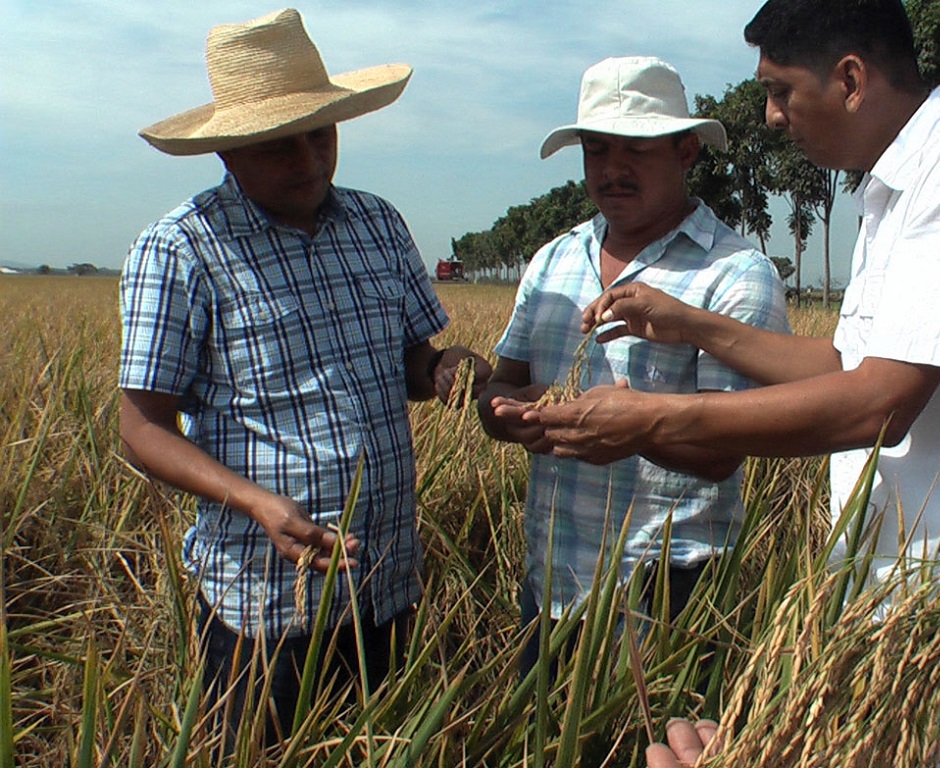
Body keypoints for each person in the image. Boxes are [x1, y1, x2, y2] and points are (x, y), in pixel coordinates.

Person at [118, 8, 491, 746]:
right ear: (226, 153)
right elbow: (140, 428)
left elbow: (411, 362)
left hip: (384, 584)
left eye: (320, 134)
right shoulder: (182, 251)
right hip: (263, 604)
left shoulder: (377, 224)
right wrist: (255, 502)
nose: (310, 160)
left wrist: (446, 369)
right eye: (278, 145)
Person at [528, 0, 940, 597]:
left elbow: (879, 403)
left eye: (780, 91)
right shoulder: (889, 193)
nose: (772, 117)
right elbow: (845, 365)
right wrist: (691, 324)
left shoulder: (933, 182)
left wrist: (651, 416)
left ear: (850, 80)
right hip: (892, 573)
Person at [477, 56, 789, 674]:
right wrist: (509, 415)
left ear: (686, 151)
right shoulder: (551, 262)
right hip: (553, 581)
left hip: (672, 588)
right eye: (597, 151)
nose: (612, 171)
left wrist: (634, 429)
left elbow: (730, 444)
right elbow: (499, 384)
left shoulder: (734, 273)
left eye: (636, 151)